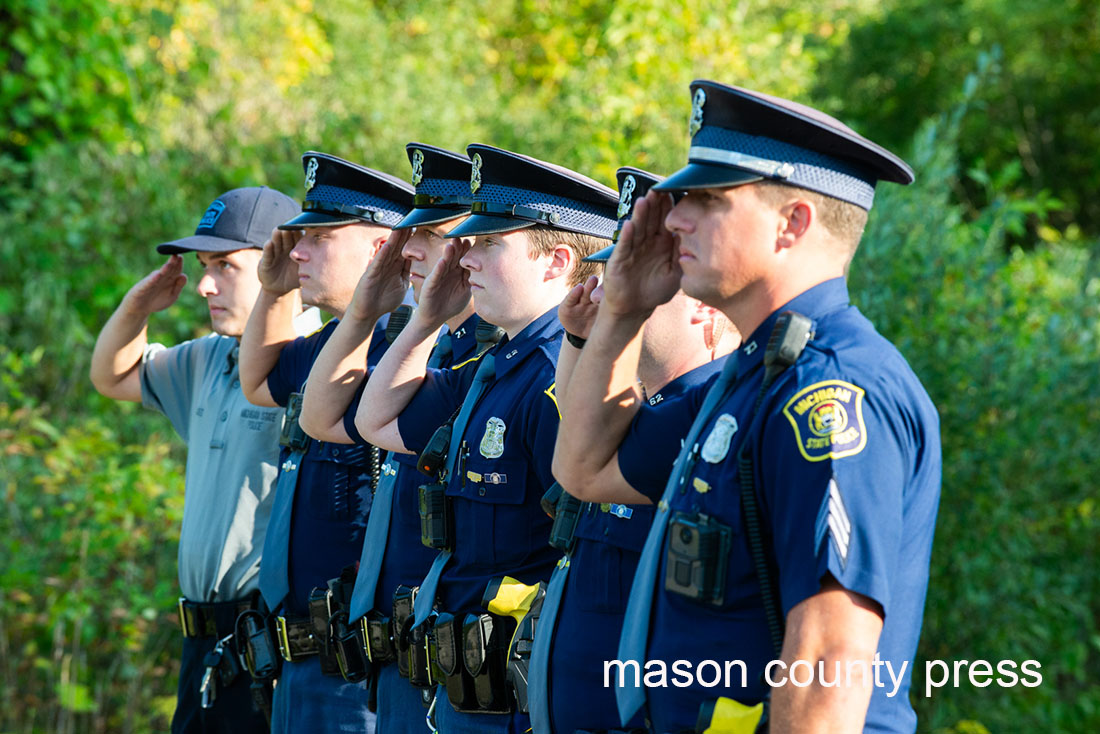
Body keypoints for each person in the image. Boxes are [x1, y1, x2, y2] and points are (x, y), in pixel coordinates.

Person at [554, 81, 941, 734]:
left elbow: (827, 661)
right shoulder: (750, 379)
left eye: (707, 200)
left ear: (792, 224)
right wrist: (621, 310)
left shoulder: (829, 391)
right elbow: (585, 469)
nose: (675, 218)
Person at [352, 144, 618, 734]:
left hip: (514, 700)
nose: (464, 261)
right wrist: (422, 317)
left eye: (490, 244)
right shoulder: (497, 365)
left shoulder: (556, 375)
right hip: (463, 688)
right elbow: (374, 422)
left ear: (556, 263)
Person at [89, 186, 311, 734]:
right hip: (204, 642)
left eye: (226, 267)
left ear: (281, 261)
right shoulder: (211, 359)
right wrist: (137, 306)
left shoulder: (315, 363)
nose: (205, 285)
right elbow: (112, 376)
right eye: (203, 266)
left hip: (268, 642)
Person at [528, 167, 738, 734]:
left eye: (644, 274)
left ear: (701, 306)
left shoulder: (708, 419)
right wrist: (579, 339)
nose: (609, 292)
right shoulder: (649, 413)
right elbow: (577, 457)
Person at [298, 143, 487, 734]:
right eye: (411, 233)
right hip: (400, 656)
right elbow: (322, 419)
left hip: (456, 668)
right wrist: (362, 312)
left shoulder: (491, 354)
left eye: (432, 234)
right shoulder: (443, 345)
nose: (410, 248)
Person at [238, 152, 414, 734]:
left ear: (381, 247)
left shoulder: (409, 351)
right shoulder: (334, 341)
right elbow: (259, 381)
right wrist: (272, 290)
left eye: (319, 238)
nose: (297, 251)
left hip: (356, 663)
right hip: (298, 660)